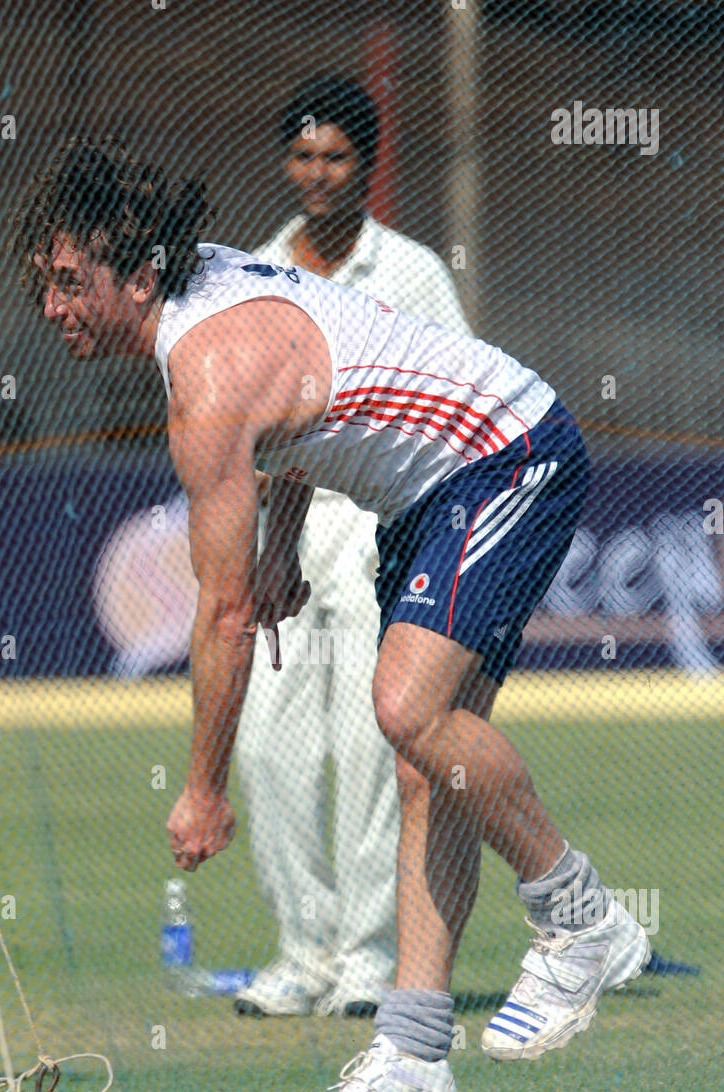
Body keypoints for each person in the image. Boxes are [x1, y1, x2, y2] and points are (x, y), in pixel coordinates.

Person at [12, 137, 651, 1092]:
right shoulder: (208, 281)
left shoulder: (202, 377)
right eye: (40, 284)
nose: (48, 308)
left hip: (504, 455)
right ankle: (412, 1064)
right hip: (424, 490)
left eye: (64, 283)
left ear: (136, 277)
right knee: (424, 763)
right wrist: (282, 544)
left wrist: (202, 786)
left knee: (406, 709)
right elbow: (317, 383)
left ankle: (579, 917)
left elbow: (221, 615)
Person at [235, 75, 472, 1020]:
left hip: (379, 523)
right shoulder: (256, 270)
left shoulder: (410, 271)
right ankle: (302, 949)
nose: (318, 174)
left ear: (367, 165)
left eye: (336, 156)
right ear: (283, 163)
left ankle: (369, 958)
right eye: (302, 156)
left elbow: (455, 394)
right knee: (267, 748)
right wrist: (260, 551)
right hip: (283, 529)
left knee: (369, 748)